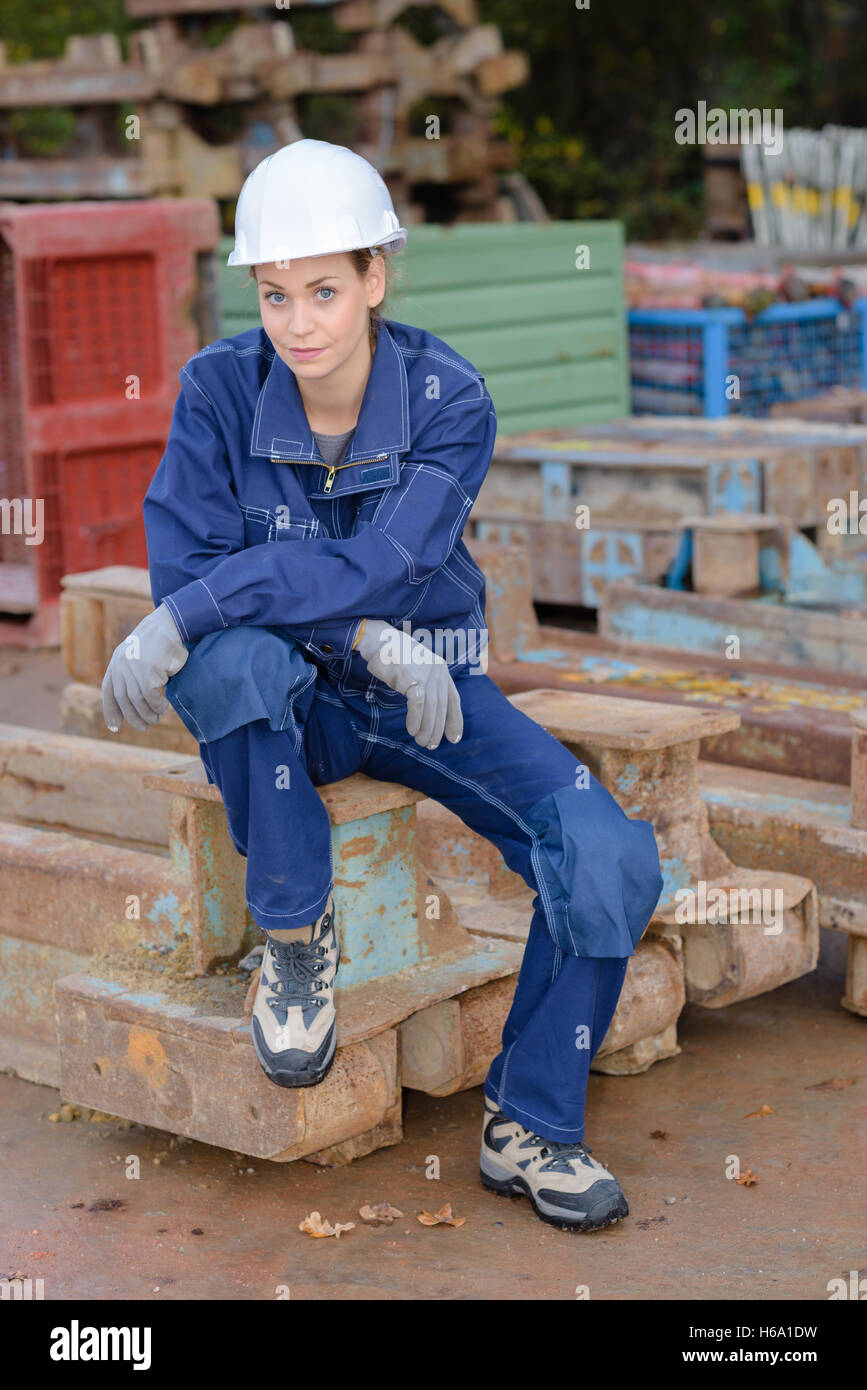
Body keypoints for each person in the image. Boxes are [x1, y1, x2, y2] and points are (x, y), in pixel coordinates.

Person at [102, 139, 663, 1233]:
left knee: (606, 852)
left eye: (324, 288)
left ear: (375, 278)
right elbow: (193, 571)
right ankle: (296, 934)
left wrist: (221, 608)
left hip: (431, 686)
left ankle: (532, 1119)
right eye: (274, 294)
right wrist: (346, 627)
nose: (299, 321)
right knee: (232, 660)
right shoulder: (218, 394)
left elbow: (386, 562)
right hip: (290, 702)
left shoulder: (452, 400)